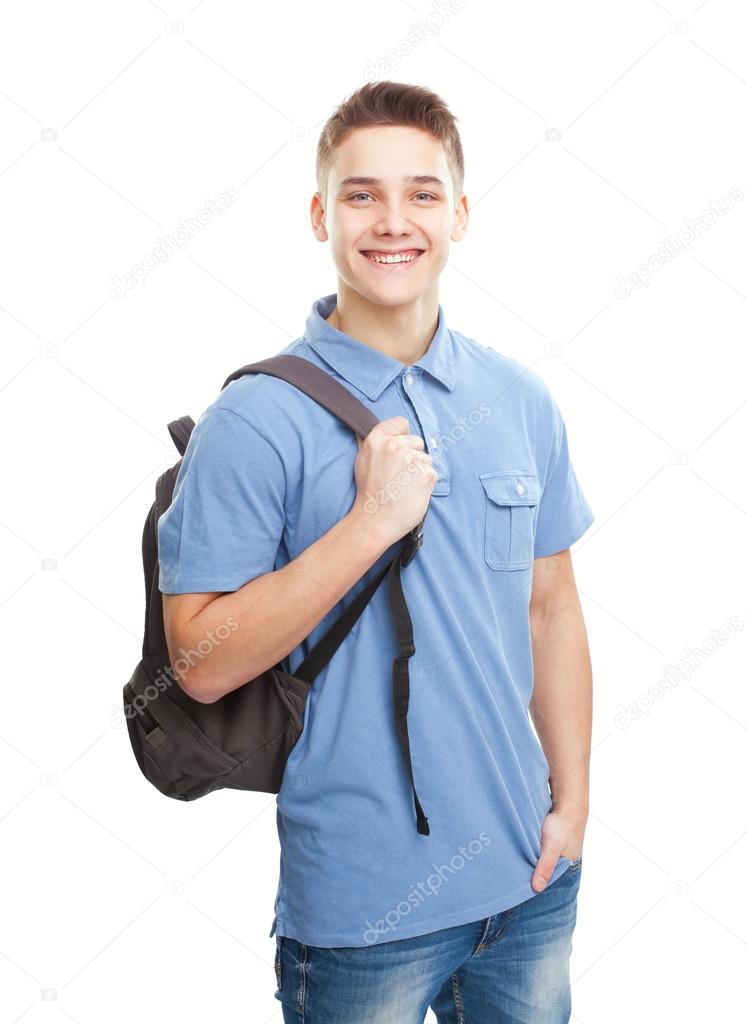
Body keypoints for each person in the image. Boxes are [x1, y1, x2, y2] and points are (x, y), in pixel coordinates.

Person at [158, 80, 595, 1024]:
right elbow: (195, 665)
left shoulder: (518, 399)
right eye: (360, 194)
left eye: (421, 193)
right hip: (363, 916)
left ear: (460, 214)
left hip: (530, 879)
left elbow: (550, 606)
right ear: (320, 214)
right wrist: (367, 526)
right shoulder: (257, 418)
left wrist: (574, 803)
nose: (391, 221)